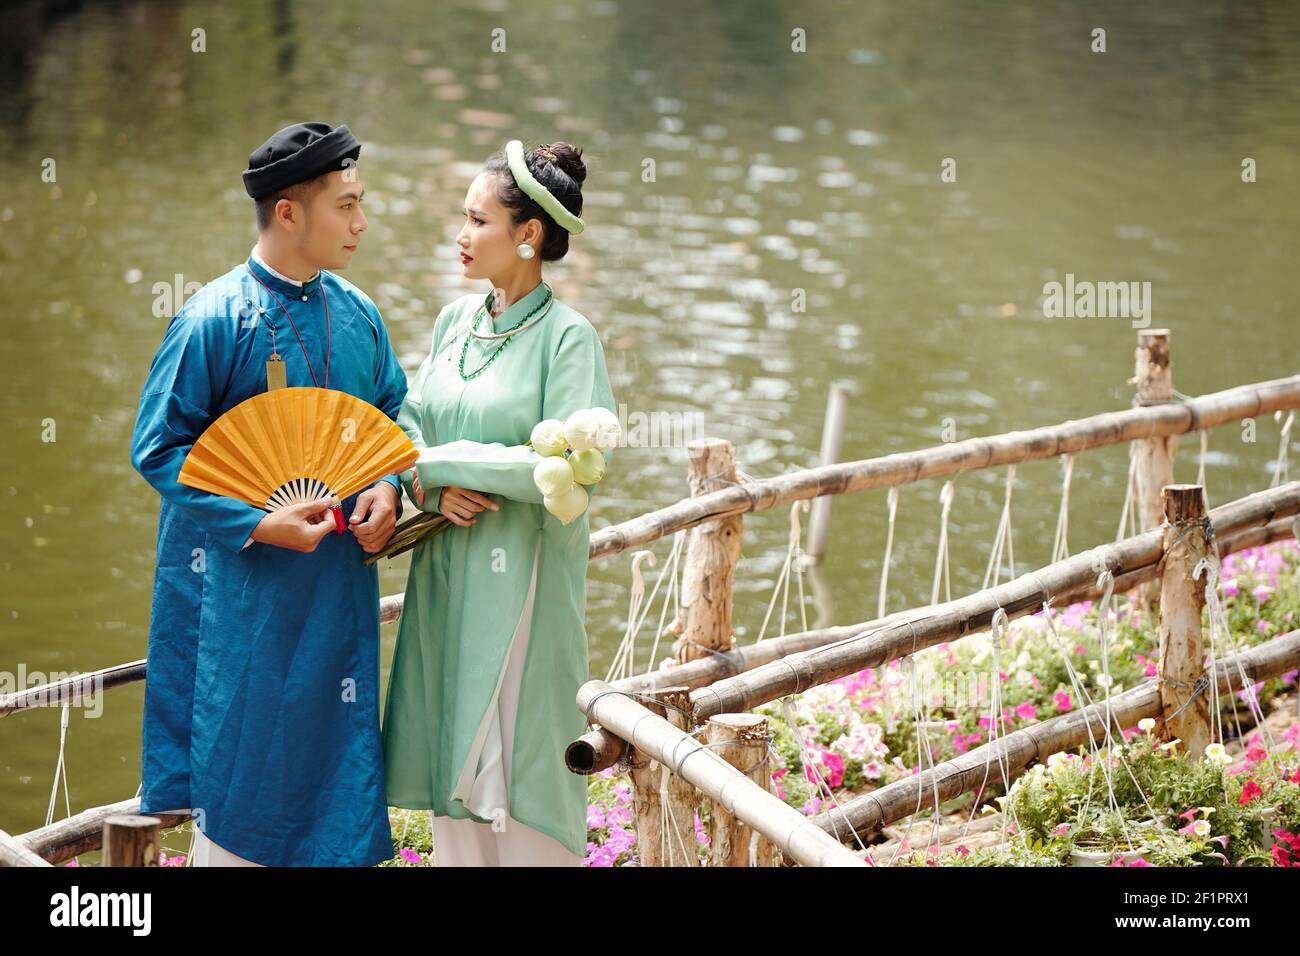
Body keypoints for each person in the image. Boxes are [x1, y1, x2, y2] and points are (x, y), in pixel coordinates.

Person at [129, 122, 407, 866]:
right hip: (241, 597)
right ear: (289, 214)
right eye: (346, 205)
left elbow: (392, 412)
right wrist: (255, 521)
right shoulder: (211, 320)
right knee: (243, 773)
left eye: (361, 203)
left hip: (337, 589)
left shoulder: (359, 314)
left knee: (335, 761)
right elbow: (158, 447)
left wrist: (386, 484)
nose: (362, 222)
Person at [382, 140, 615, 865]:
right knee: (452, 744)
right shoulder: (456, 323)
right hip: (448, 562)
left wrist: (435, 462)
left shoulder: (568, 339)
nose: (461, 235)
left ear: (529, 235)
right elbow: (407, 422)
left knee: (514, 756)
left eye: (477, 220)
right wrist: (427, 483)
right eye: (463, 218)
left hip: (524, 579)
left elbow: (566, 468)